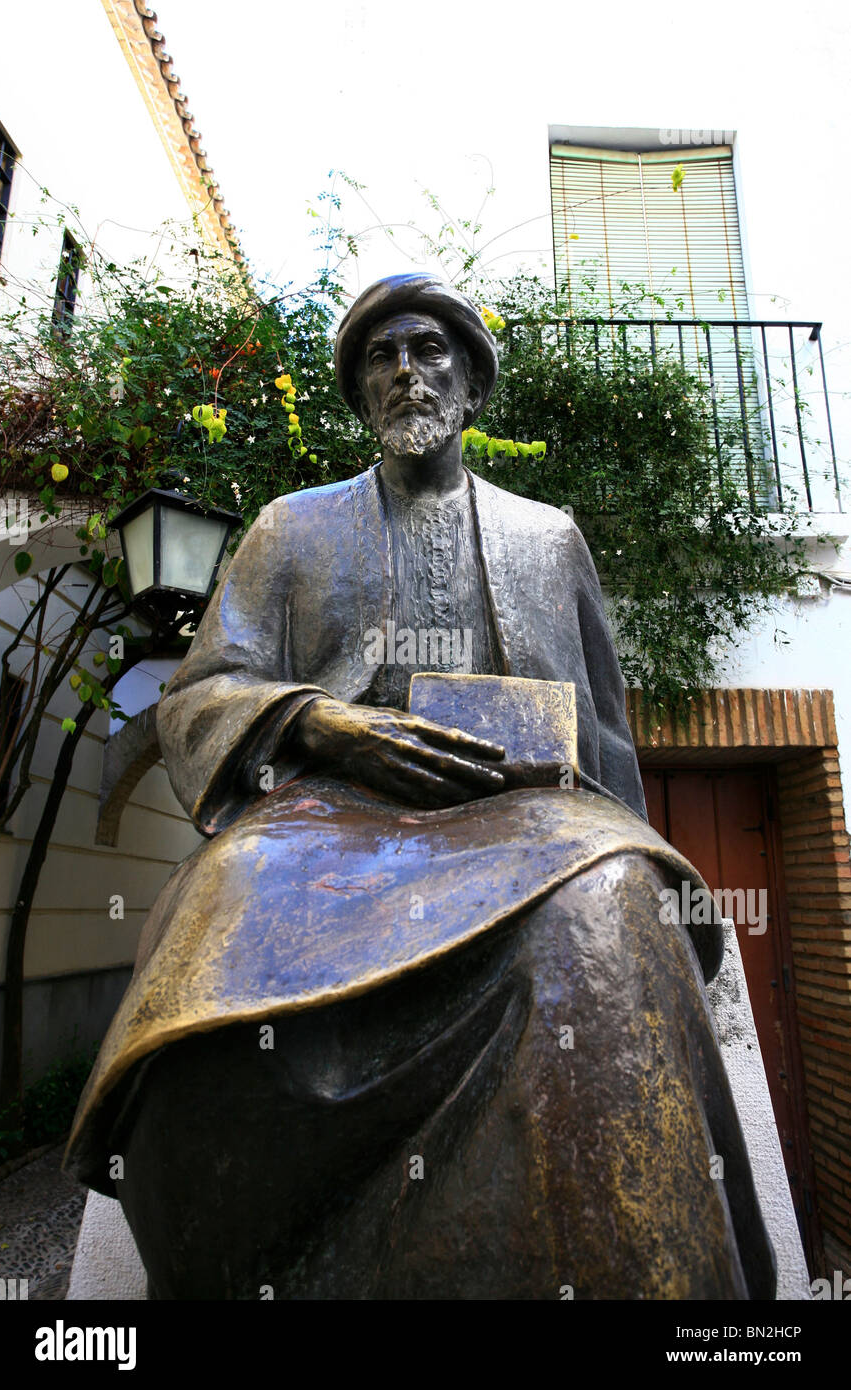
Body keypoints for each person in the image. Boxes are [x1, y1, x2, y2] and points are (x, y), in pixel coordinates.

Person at [65, 273, 776, 1301]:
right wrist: (323, 721)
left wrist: (646, 866)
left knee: (607, 901)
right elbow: (202, 690)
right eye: (382, 358)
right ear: (362, 394)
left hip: (529, 817)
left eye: (428, 352)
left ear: (470, 388)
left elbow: (605, 733)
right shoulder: (288, 529)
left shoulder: (547, 539)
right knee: (221, 904)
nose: (405, 372)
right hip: (324, 815)